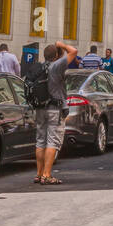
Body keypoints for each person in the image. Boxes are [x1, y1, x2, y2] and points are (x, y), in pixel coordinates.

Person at [27, 40, 77, 185]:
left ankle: (39, 173)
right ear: (55, 55)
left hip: (40, 108)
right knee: (52, 141)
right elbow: (73, 51)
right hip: (55, 109)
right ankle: (47, 175)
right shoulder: (57, 65)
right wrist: (61, 45)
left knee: (40, 140)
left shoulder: (40, 67)